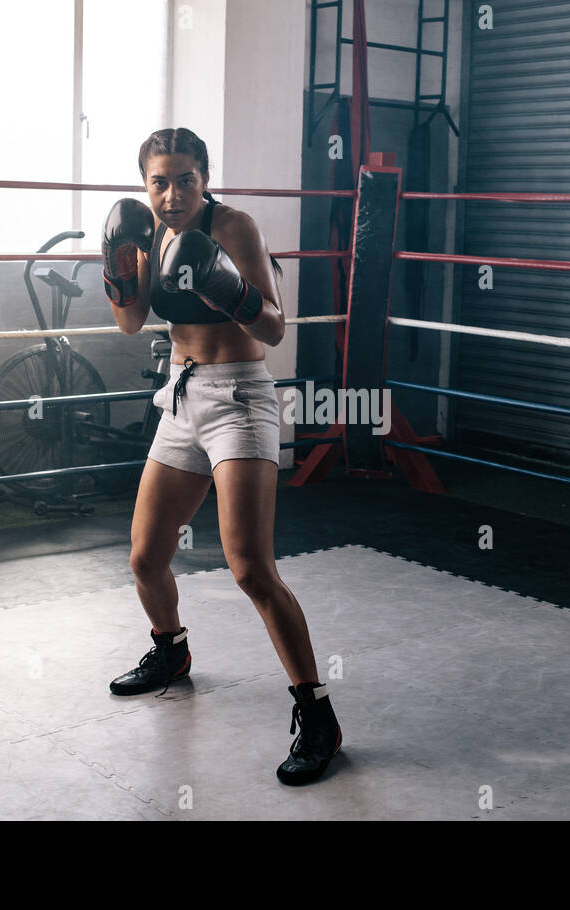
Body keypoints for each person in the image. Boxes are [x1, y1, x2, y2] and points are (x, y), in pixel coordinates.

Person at [100, 127, 342, 786]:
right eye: (159, 181)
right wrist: (121, 272)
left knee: (250, 566)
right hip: (181, 396)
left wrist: (224, 288)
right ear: (145, 184)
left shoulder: (234, 226)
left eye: (184, 179)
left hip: (239, 397)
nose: (172, 194)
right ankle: (169, 652)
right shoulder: (146, 230)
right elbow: (131, 323)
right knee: (146, 556)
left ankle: (317, 714)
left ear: (204, 177)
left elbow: (272, 327)